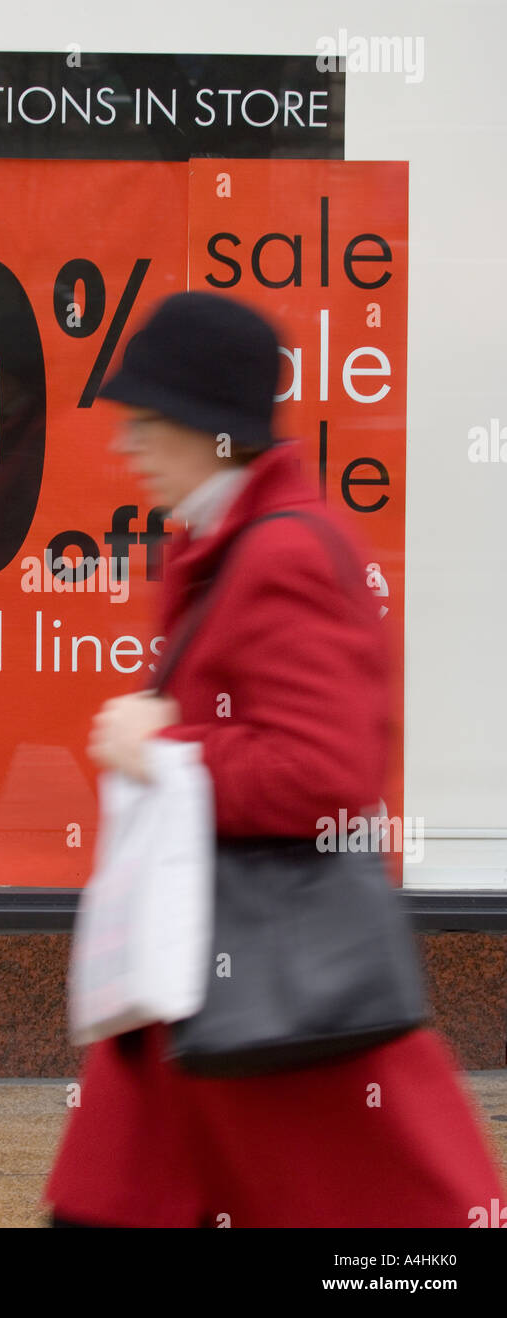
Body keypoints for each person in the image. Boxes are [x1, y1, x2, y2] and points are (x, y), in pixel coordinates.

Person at [42, 291, 505, 1228]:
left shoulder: (279, 552)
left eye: (147, 421)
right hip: (216, 991)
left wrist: (161, 744)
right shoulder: (228, 541)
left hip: (265, 993)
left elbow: (324, 773)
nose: (126, 445)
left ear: (209, 428)